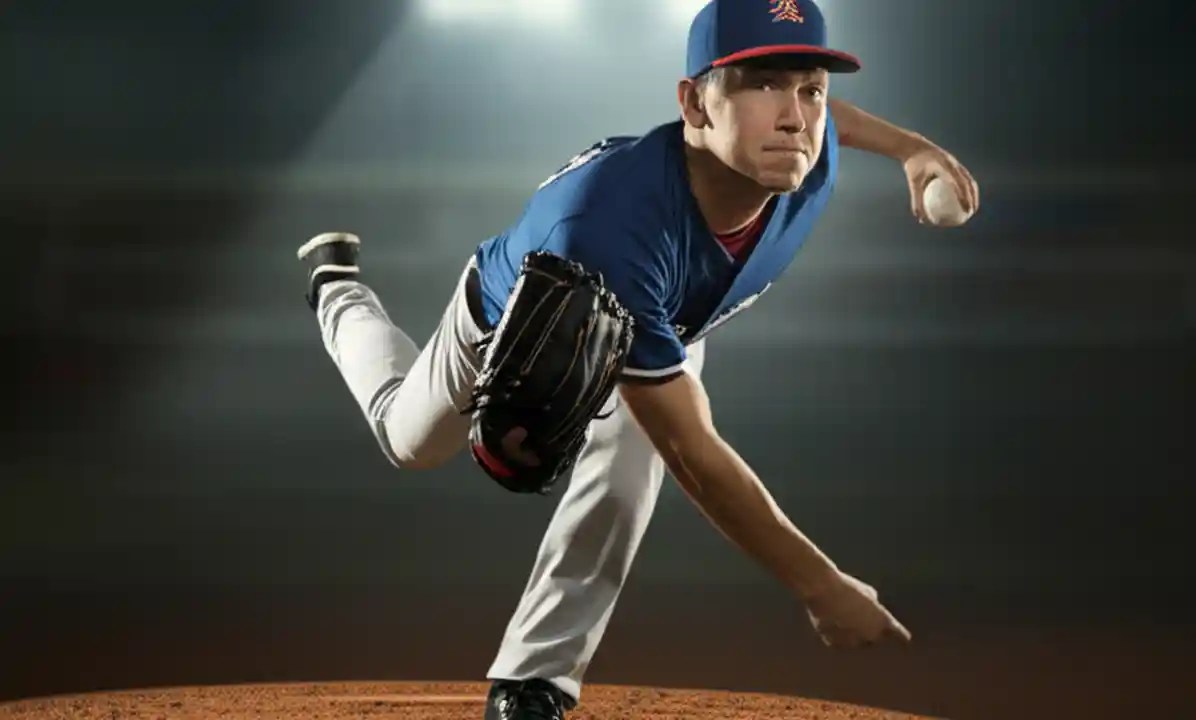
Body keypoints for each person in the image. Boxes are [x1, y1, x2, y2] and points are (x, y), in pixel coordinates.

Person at [296, 1, 979, 718]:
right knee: (411, 440)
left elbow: (832, 122)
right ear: (693, 103)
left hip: (656, 320)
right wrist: (820, 586)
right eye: (758, 83)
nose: (795, 115)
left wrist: (913, 148)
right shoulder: (610, 226)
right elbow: (697, 455)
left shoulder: (800, 153)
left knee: (627, 464)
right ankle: (339, 291)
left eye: (808, 86)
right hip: (517, 311)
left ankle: (533, 683)